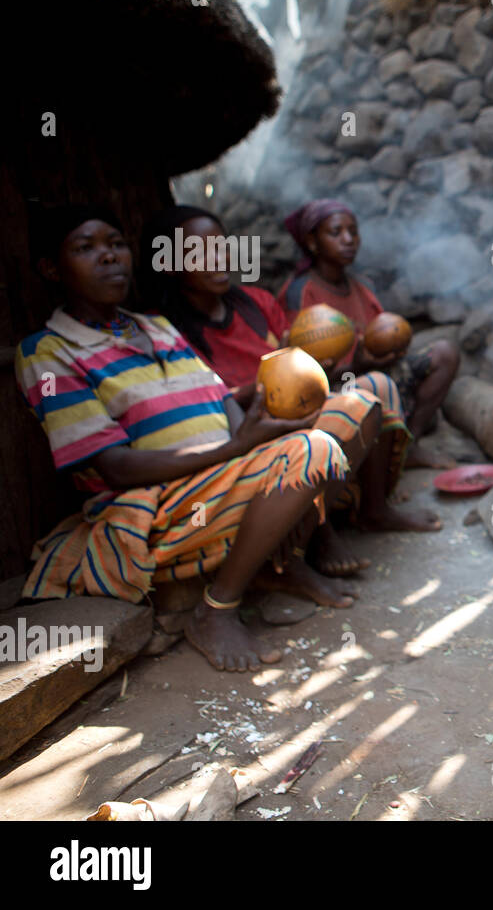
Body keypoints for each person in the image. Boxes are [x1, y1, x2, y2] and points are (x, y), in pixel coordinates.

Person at [15, 205, 369, 671]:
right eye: (85, 248)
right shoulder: (46, 352)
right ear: (50, 269)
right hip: (157, 505)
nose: (108, 257)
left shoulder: (157, 327)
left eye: (115, 244)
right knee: (312, 449)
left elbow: (222, 401)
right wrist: (240, 448)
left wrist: (259, 433)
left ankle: (280, 560)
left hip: (222, 473)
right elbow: (115, 468)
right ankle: (216, 609)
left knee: (354, 408)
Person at [138, 205, 440, 566]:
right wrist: (264, 387)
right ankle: (311, 541)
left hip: (300, 404)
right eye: (197, 251)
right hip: (243, 430)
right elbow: (205, 406)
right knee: (312, 427)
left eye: (221, 245)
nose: (216, 258)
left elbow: (296, 355)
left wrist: (321, 364)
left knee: (377, 385)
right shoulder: (164, 332)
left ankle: (373, 510)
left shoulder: (257, 302)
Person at [278, 199, 460, 469]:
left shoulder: (362, 285)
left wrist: (393, 350)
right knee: (375, 383)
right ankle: (378, 472)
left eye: (353, 231)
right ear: (313, 242)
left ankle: (408, 446)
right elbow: (299, 378)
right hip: (333, 388)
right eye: (336, 232)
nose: (349, 239)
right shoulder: (300, 293)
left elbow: (382, 333)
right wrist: (356, 367)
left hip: (375, 373)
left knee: (445, 353)